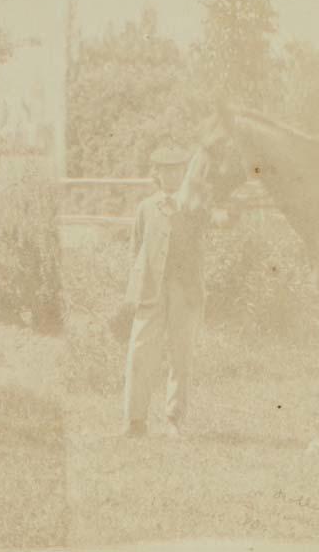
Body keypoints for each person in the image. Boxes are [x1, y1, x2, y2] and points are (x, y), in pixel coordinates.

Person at [122, 138, 208, 438]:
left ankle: (174, 419)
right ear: (156, 173)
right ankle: (135, 421)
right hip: (151, 290)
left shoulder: (194, 207)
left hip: (185, 289)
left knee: (181, 354)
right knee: (140, 352)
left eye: (177, 170)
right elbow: (136, 249)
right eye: (165, 170)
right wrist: (135, 289)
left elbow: (214, 224)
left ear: (184, 173)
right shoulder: (146, 208)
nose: (171, 175)